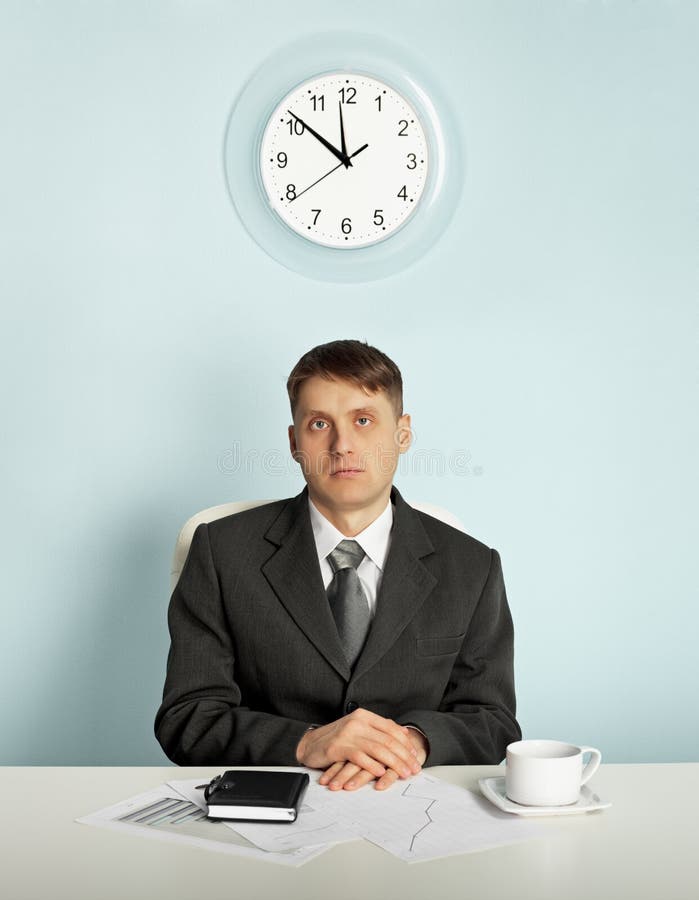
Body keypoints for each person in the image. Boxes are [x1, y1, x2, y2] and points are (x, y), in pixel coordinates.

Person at [155, 340, 520, 791]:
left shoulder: (473, 566)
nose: (342, 445)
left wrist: (411, 743)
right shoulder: (220, 551)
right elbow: (187, 718)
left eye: (363, 420)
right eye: (319, 424)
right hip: (271, 805)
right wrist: (306, 742)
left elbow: (493, 721)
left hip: (410, 801)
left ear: (402, 434)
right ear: (295, 442)